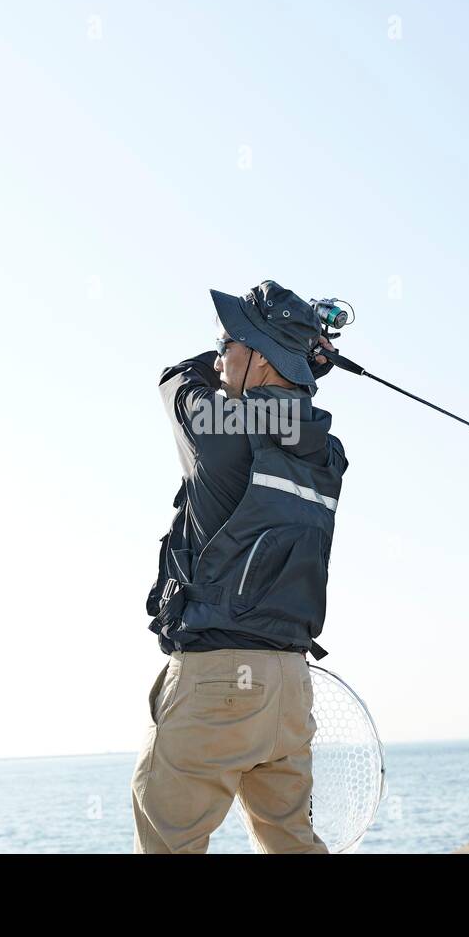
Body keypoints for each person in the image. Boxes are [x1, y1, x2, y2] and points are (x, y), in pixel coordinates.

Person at [131, 279, 349, 854]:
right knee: (291, 843)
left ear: (258, 353)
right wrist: (297, 362)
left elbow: (175, 379)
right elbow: (285, 411)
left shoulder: (219, 428)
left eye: (229, 341)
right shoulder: (328, 454)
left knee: (167, 843)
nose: (220, 352)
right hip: (288, 689)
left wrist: (289, 356)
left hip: (218, 681)